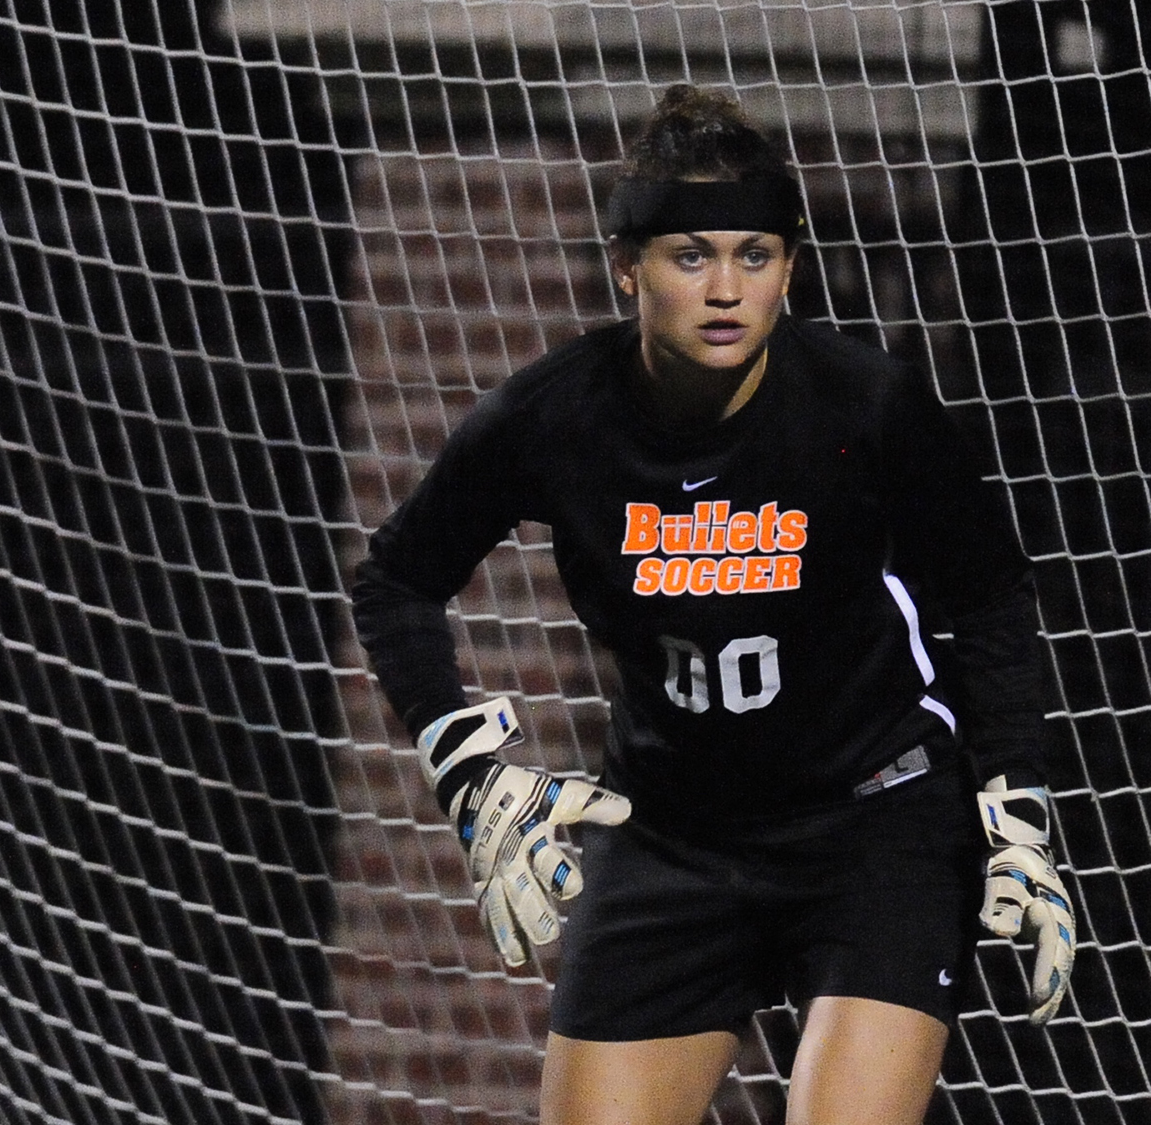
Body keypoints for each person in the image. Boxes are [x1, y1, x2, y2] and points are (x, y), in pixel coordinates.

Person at [350, 84, 1076, 1125]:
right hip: (670, 839)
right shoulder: (552, 420)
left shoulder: (862, 405)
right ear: (626, 268)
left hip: (872, 828)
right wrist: (462, 771)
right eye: (691, 255)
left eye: (756, 254)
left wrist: (1017, 811)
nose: (727, 287)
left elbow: (991, 597)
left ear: (789, 266)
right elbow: (396, 579)